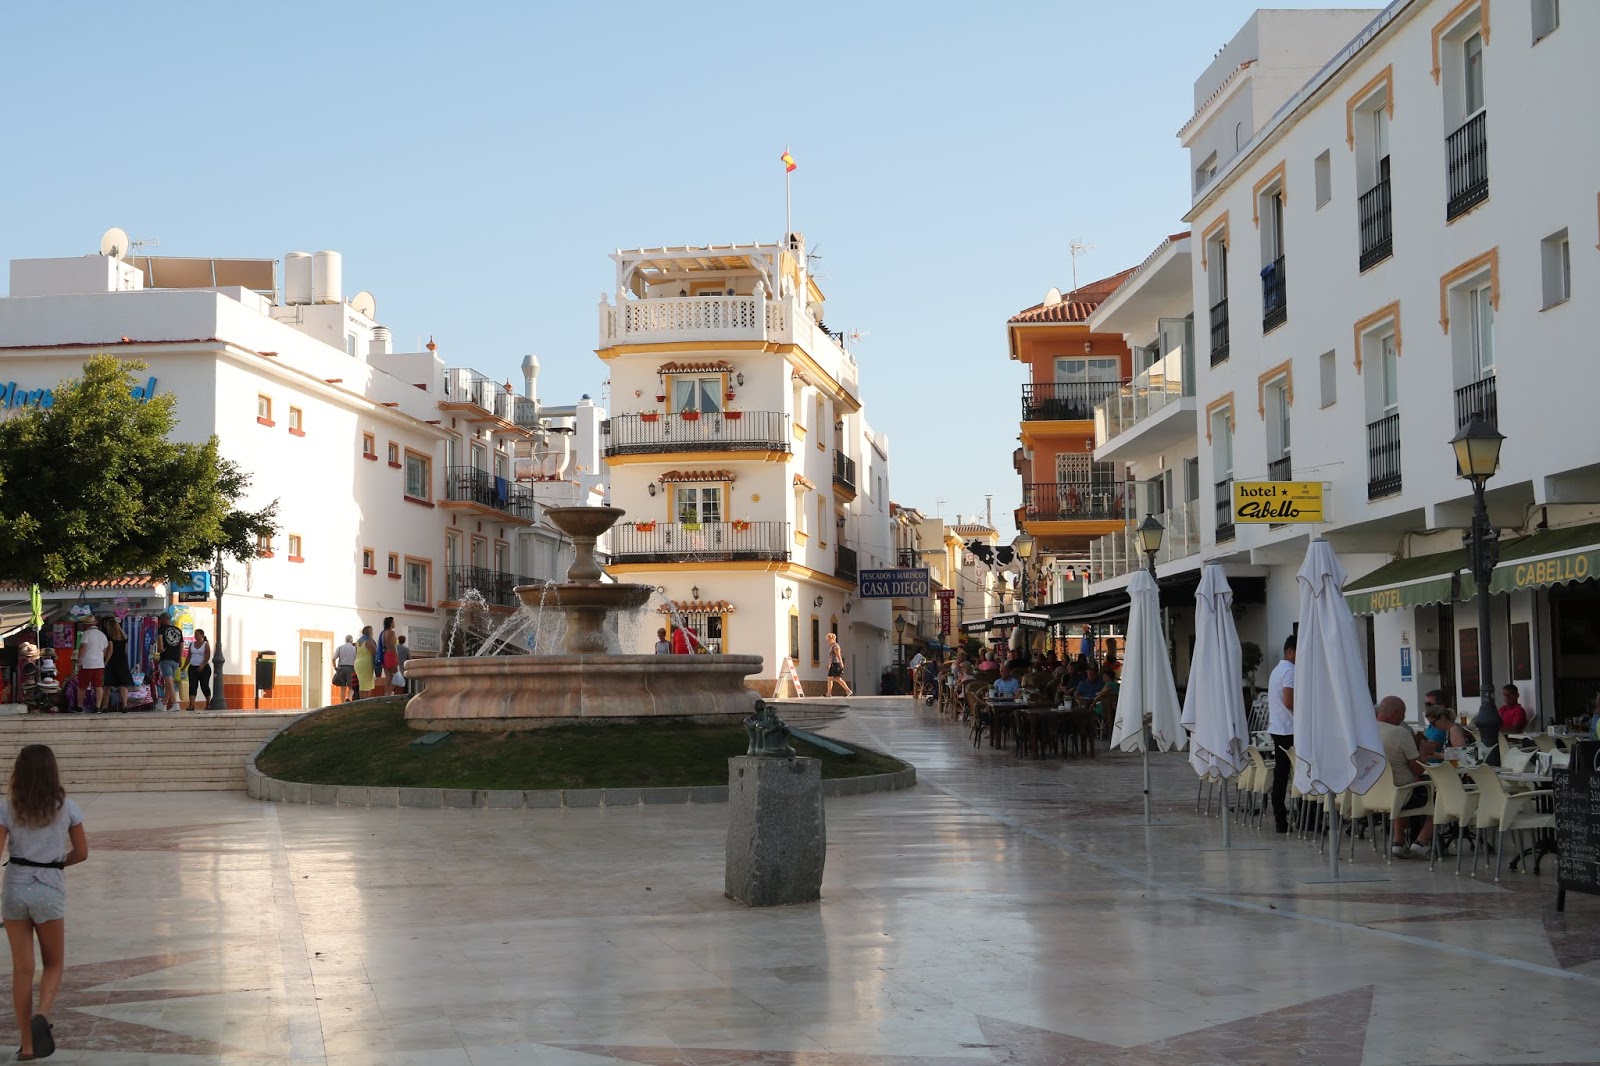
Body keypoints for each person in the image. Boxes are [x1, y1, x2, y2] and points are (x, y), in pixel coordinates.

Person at [1, 745, 88, 1060]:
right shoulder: (68, 808)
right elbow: (82, 852)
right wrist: (58, 862)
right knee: (53, 963)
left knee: (22, 969)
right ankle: (43, 1013)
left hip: (14, 890)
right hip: (49, 890)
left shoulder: (7, 809)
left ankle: (26, 1044)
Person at [1375, 696, 1434, 859]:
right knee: (1441, 796)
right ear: (1395, 713)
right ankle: (1421, 842)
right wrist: (1423, 752)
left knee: (1399, 788)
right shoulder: (1400, 733)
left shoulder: (1366, 730)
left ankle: (1398, 842)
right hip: (1402, 795)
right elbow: (1417, 769)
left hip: (1371, 794)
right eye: (1402, 713)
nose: (1403, 718)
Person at [1267, 633, 1296, 835]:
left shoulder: (1276, 670)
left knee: (1281, 774)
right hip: (1290, 729)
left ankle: (1280, 819)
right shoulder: (1290, 671)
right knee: (1298, 772)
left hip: (1278, 728)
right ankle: (1307, 818)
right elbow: (1289, 702)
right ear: (1290, 651)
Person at [99, 619, 133, 712]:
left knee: (107, 685)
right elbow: (126, 651)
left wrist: (105, 662)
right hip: (122, 662)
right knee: (123, 684)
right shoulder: (124, 637)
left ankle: (105, 707)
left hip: (112, 663)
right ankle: (125, 705)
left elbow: (110, 651)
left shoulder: (109, 637)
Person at [75, 619, 109, 713]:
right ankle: (98, 707)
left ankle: (79, 707)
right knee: (98, 686)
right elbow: (105, 650)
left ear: (87, 625)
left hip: (87, 664)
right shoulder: (102, 635)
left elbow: (83, 647)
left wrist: (79, 660)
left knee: (82, 687)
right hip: (99, 665)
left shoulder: (86, 633)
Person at [155, 612, 184, 712]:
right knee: (169, 682)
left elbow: (160, 639)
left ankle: (176, 704)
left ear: (163, 619)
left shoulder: (162, 629)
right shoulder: (178, 630)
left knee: (169, 681)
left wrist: (160, 649)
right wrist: (179, 657)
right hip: (176, 659)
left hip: (166, 658)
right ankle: (164, 704)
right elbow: (181, 645)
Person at [184, 629, 212, 712]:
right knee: (192, 685)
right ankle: (191, 704)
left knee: (204, 685)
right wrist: (184, 666)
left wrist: (202, 665)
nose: (195, 636)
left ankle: (208, 703)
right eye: (194, 634)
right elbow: (189, 656)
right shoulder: (192, 644)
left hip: (204, 668)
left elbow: (207, 656)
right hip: (193, 667)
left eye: (197, 634)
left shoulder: (206, 644)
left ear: (202, 635)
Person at [824, 632, 852, 697]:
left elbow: (838, 656)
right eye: (827, 640)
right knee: (835, 678)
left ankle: (829, 693)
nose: (828, 641)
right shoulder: (832, 647)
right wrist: (829, 664)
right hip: (833, 664)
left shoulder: (836, 646)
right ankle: (847, 691)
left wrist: (841, 663)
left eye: (829, 639)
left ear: (833, 639)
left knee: (834, 678)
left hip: (836, 664)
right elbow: (831, 657)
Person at [375, 617, 397, 696]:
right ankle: (388, 692)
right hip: (391, 655)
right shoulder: (391, 633)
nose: (395, 623)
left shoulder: (383, 633)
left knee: (388, 676)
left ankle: (386, 693)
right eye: (394, 622)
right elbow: (392, 645)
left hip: (384, 656)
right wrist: (396, 656)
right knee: (398, 677)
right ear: (391, 623)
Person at [354, 626, 377, 699]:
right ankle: (363, 701)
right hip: (366, 664)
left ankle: (364, 700)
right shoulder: (369, 641)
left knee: (363, 683)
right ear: (370, 632)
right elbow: (375, 652)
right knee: (367, 684)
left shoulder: (358, 642)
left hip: (358, 663)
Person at [333, 636, 359, 701]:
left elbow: (333, 659)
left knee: (342, 688)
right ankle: (348, 698)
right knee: (351, 686)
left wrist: (335, 667)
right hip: (351, 668)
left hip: (341, 668)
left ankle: (342, 703)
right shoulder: (354, 649)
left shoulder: (340, 648)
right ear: (352, 641)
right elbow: (357, 659)